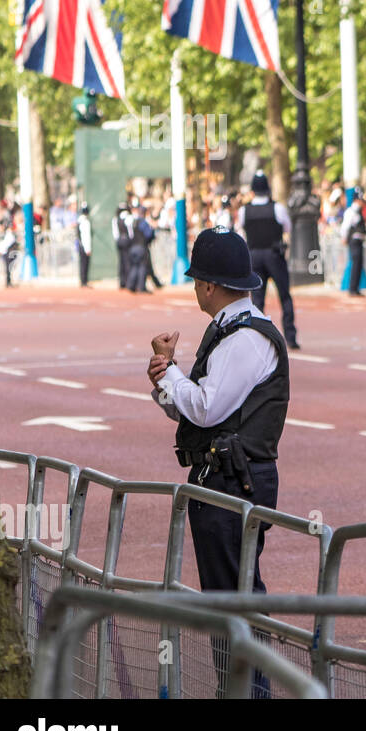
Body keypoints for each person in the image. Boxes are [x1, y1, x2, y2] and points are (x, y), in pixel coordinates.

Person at [146, 227, 288, 697]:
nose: (193, 290)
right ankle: (242, 690)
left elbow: (207, 407)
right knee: (228, 596)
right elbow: (200, 411)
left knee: (236, 597)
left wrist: (173, 374)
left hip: (234, 482)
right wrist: (168, 382)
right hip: (224, 478)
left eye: (195, 281)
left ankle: (250, 692)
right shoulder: (231, 330)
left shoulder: (245, 338)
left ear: (208, 285)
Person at [236, 171, 299, 349]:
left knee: (257, 300)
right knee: (284, 295)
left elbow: (241, 232)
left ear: (253, 190)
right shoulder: (277, 208)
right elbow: (288, 227)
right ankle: (291, 337)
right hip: (274, 255)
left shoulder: (244, 210)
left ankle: (258, 338)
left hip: (254, 256)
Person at [340, 192, 366, 297]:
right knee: (355, 264)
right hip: (354, 241)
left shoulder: (358, 211)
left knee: (359, 264)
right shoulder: (351, 211)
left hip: (359, 240)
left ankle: (355, 288)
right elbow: (345, 226)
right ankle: (352, 288)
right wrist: (344, 237)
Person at [126, 206, 154, 293]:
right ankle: (141, 287)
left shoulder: (134, 222)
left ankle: (131, 285)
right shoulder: (143, 223)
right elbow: (148, 234)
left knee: (134, 266)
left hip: (133, 247)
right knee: (142, 267)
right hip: (141, 247)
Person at [114, 203, 131, 289]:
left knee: (121, 262)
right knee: (127, 262)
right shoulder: (128, 217)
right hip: (126, 241)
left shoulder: (116, 219)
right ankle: (128, 281)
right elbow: (130, 232)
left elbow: (115, 234)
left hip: (119, 241)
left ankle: (122, 282)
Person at [76, 204, 92, 288]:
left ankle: (83, 281)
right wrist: (87, 249)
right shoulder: (85, 221)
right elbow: (86, 237)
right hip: (84, 246)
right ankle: (84, 281)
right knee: (84, 264)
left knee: (82, 264)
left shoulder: (79, 221)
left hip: (81, 245)